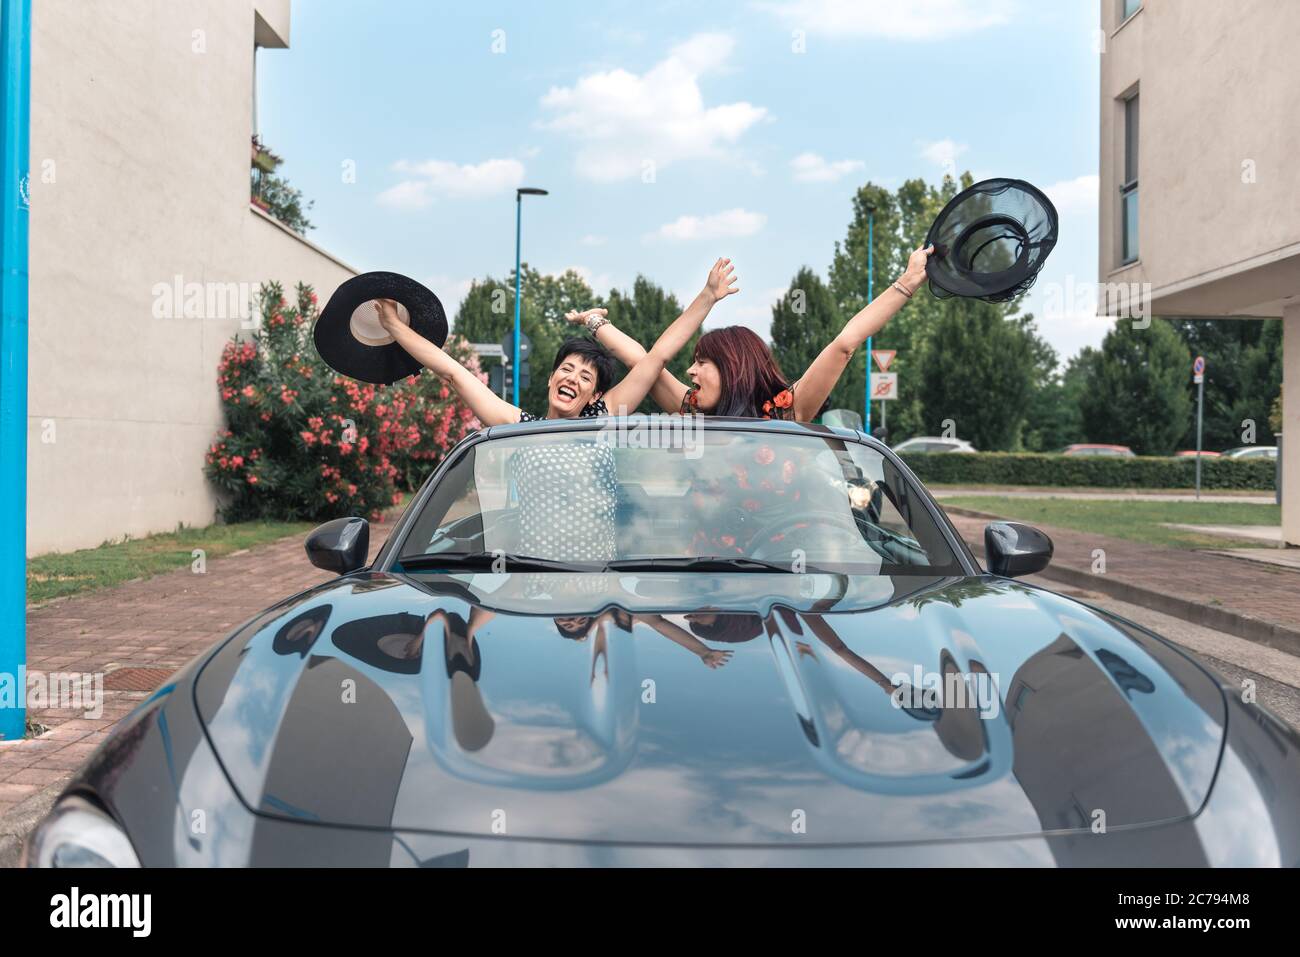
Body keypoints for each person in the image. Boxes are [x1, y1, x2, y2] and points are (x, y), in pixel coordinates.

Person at [567, 245, 933, 421]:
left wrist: (907, 282)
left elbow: (845, 344)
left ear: (734, 367)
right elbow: (643, 361)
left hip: (774, 562)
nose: (691, 373)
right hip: (702, 560)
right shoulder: (694, 409)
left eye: (702, 362)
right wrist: (595, 322)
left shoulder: (783, 414)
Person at [372, 257, 739, 425]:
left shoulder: (603, 415)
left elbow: (656, 357)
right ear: (550, 378)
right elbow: (453, 372)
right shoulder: (520, 426)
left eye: (585, 377)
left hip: (597, 573)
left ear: (595, 395)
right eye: (566, 369)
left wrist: (707, 296)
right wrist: (393, 325)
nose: (572, 379)